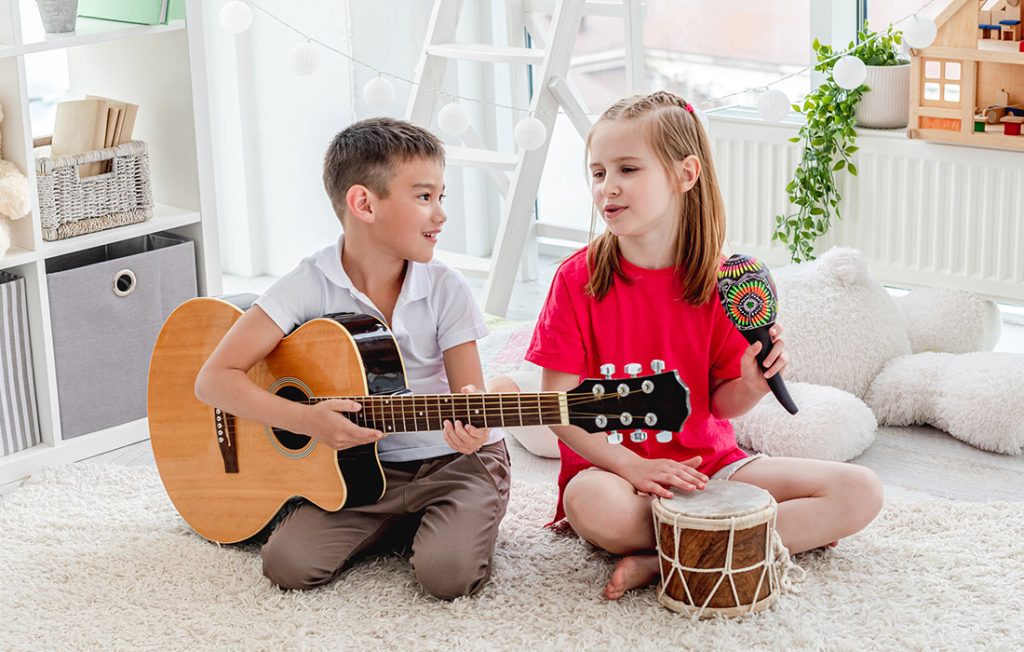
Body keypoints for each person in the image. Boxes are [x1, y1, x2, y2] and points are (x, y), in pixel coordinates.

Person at [523, 91, 884, 600]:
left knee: (860, 491)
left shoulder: (722, 281)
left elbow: (719, 403)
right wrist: (632, 466)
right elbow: (557, 409)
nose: (608, 187)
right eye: (598, 172)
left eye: (628, 169)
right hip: (614, 474)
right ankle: (726, 540)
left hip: (711, 468)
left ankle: (660, 560)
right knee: (594, 508)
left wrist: (753, 385)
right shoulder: (577, 278)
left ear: (685, 174)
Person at [194, 117, 511, 600]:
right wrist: (304, 419)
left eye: (441, 197)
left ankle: (435, 522)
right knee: (287, 565)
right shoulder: (309, 283)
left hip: (452, 463)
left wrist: (476, 427)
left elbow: (471, 398)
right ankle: (401, 523)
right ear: (363, 203)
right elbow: (213, 379)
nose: (441, 215)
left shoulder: (446, 288)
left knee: (446, 576)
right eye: (425, 197)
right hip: (360, 472)